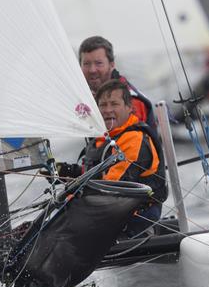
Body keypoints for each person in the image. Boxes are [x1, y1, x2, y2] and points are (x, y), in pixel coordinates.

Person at [59, 80, 167, 236]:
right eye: (103, 105)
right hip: (105, 216)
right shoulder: (103, 139)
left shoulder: (134, 139)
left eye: (114, 104)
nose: (107, 110)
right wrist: (69, 171)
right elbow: (95, 172)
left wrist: (69, 200)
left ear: (130, 108)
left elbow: (112, 188)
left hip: (134, 221)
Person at [78, 35, 155, 124]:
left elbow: (134, 136)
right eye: (86, 64)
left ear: (112, 65)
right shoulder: (78, 95)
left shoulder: (130, 100)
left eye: (98, 63)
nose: (92, 70)